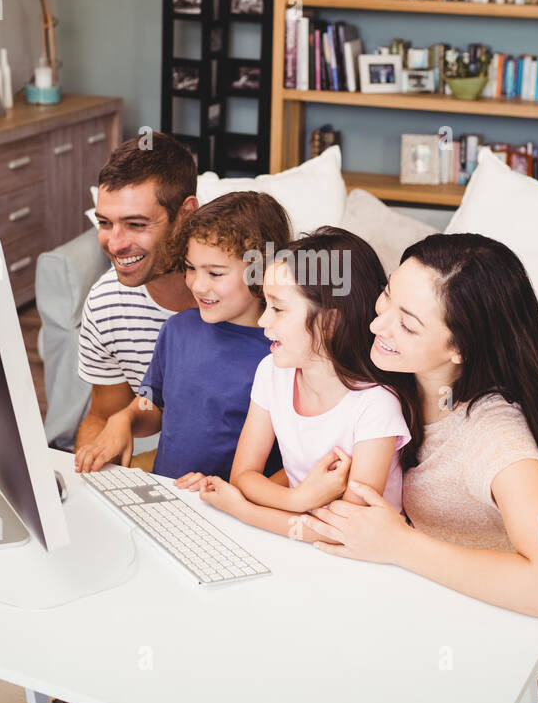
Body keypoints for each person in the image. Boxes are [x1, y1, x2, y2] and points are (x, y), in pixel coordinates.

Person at [303, 233, 538, 623]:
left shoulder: (492, 434)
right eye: (387, 294)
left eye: (408, 324)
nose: (377, 324)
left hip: (482, 617)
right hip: (404, 589)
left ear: (461, 347)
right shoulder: (397, 380)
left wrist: (400, 544)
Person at [178, 228, 420, 538]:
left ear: (329, 323)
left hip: (358, 560)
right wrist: (298, 498)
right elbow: (243, 476)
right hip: (293, 535)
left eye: (278, 308)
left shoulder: (376, 405)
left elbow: (344, 532)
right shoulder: (272, 373)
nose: (264, 321)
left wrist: (244, 510)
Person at [74, 191, 289, 479]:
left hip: (238, 514)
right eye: (190, 268)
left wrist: (239, 499)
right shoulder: (177, 330)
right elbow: (154, 404)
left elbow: (298, 460)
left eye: (214, 273)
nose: (197, 285)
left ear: (261, 272)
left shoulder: (283, 352)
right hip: (170, 500)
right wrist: (125, 418)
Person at [73, 133, 198, 470]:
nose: (115, 244)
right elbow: (103, 415)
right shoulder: (105, 304)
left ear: (186, 214)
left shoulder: (249, 295)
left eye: (136, 225)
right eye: (105, 223)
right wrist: (93, 478)